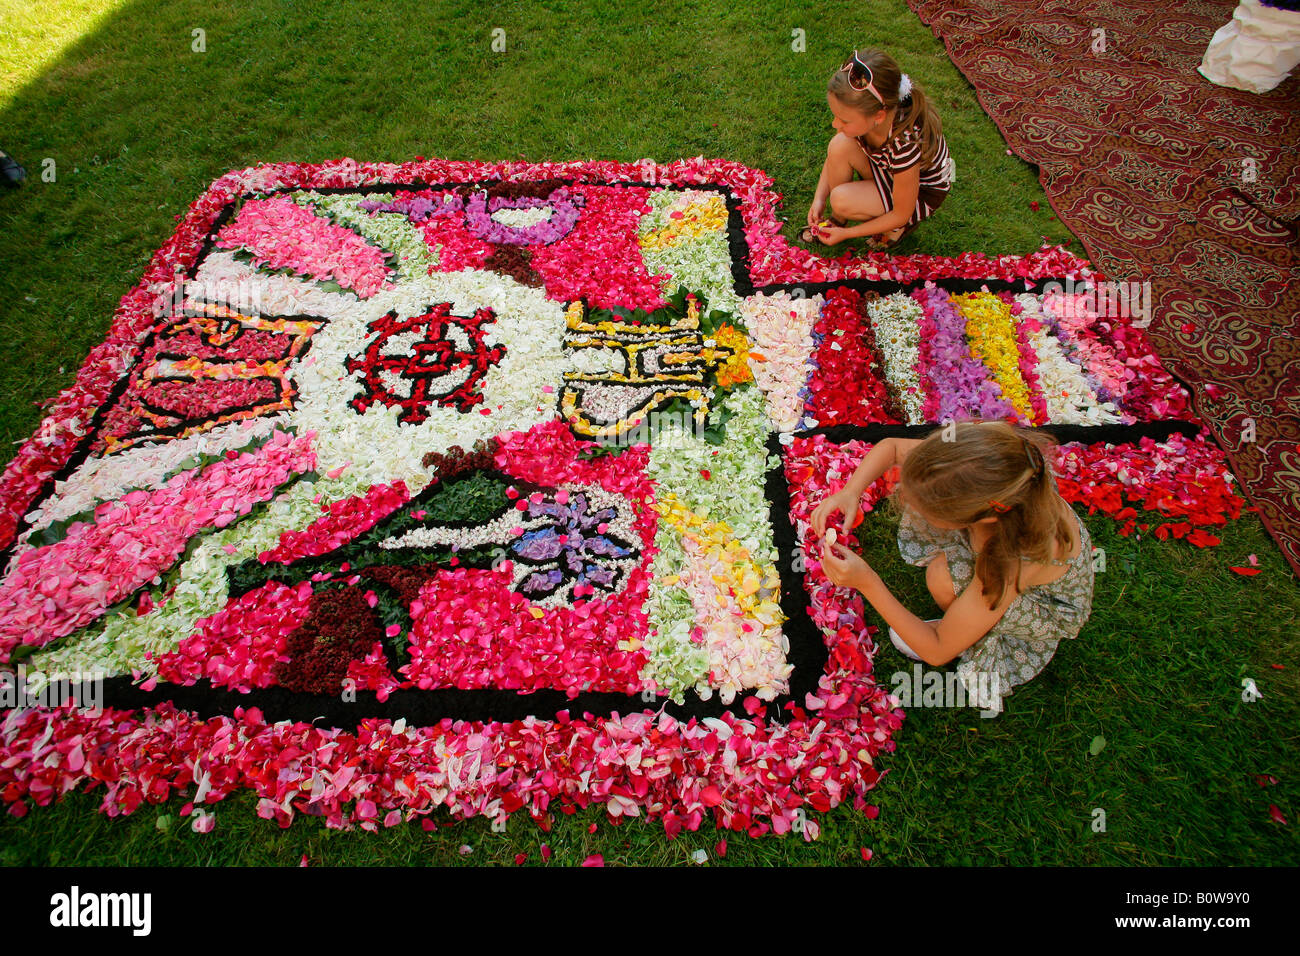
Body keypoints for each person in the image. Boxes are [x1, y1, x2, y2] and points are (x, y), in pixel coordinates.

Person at [811, 420, 1094, 713]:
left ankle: (973, 630)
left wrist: (866, 581)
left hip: (1038, 601)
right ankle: (966, 619)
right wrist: (851, 491)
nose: (906, 499)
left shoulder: (1010, 560)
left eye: (925, 508)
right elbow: (892, 446)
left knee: (941, 577)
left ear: (975, 518)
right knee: (942, 572)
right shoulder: (978, 467)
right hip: (999, 546)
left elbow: (937, 650)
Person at [802, 49, 952, 251]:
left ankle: (897, 228)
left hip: (919, 194)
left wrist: (848, 235)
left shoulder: (905, 145)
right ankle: (838, 219)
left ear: (878, 116)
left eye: (844, 120)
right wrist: (819, 199)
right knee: (839, 144)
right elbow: (834, 158)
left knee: (841, 198)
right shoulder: (871, 119)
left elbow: (902, 211)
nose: (835, 124)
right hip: (889, 170)